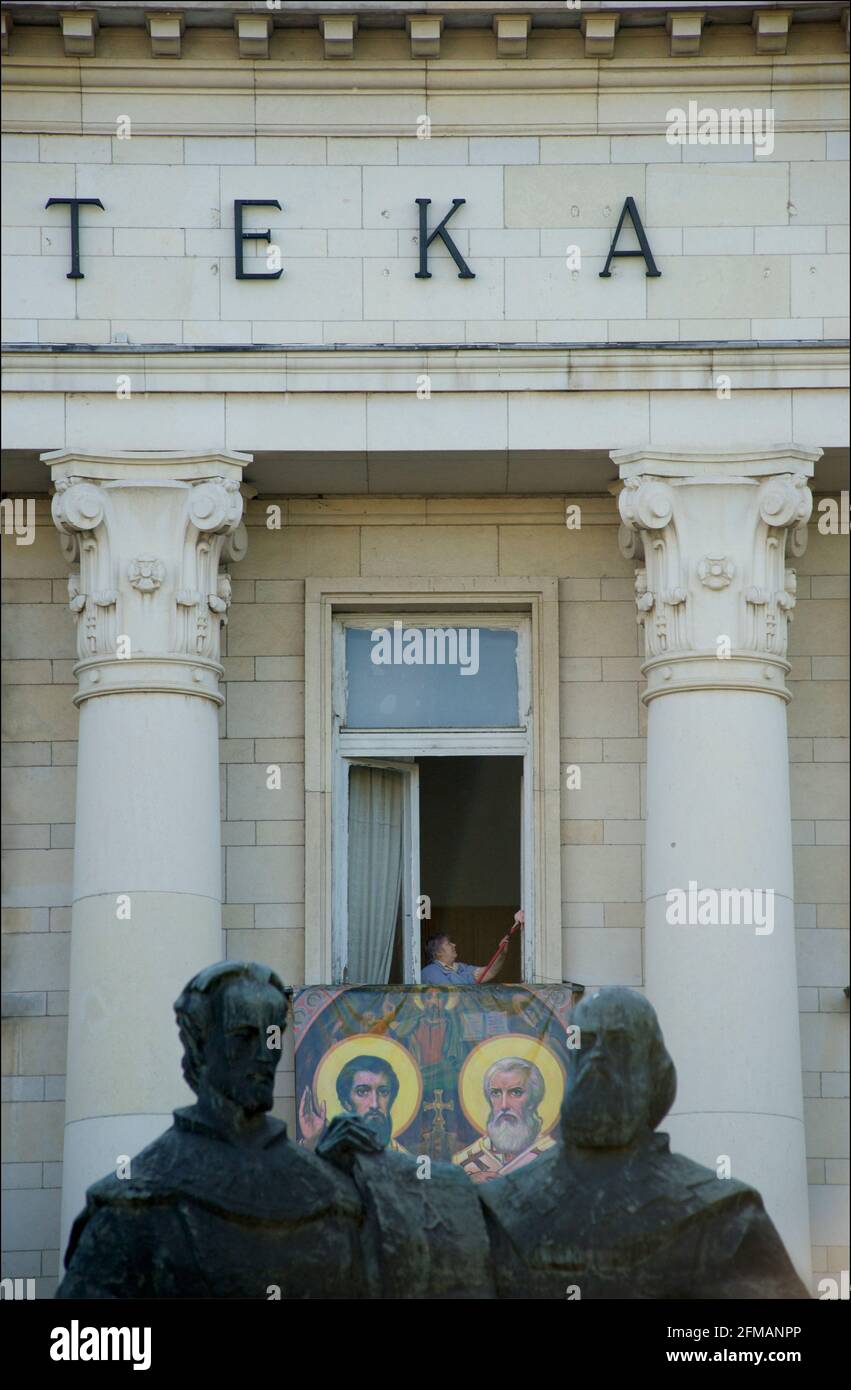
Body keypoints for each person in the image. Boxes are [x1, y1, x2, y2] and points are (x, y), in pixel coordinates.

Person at [480, 987, 810, 1300]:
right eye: (588, 1043)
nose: (598, 1062)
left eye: (619, 1045)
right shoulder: (500, 1209)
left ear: (656, 1072)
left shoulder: (723, 1216)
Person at [453, 1057, 555, 1182]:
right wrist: (469, 1185)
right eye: (496, 1093)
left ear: (533, 1100)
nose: (504, 1105)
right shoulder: (465, 1161)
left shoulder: (553, 1156)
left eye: (516, 1092)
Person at [299, 1054, 408, 1153]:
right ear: (347, 1103)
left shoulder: (404, 1159)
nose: (374, 1104)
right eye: (362, 1092)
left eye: (383, 1092)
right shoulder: (333, 1155)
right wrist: (312, 1142)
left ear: (392, 1099)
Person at [421, 909, 523, 984]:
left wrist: (502, 953)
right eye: (448, 943)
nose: (454, 945)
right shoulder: (429, 972)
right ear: (438, 952)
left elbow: (489, 972)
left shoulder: (461, 968)